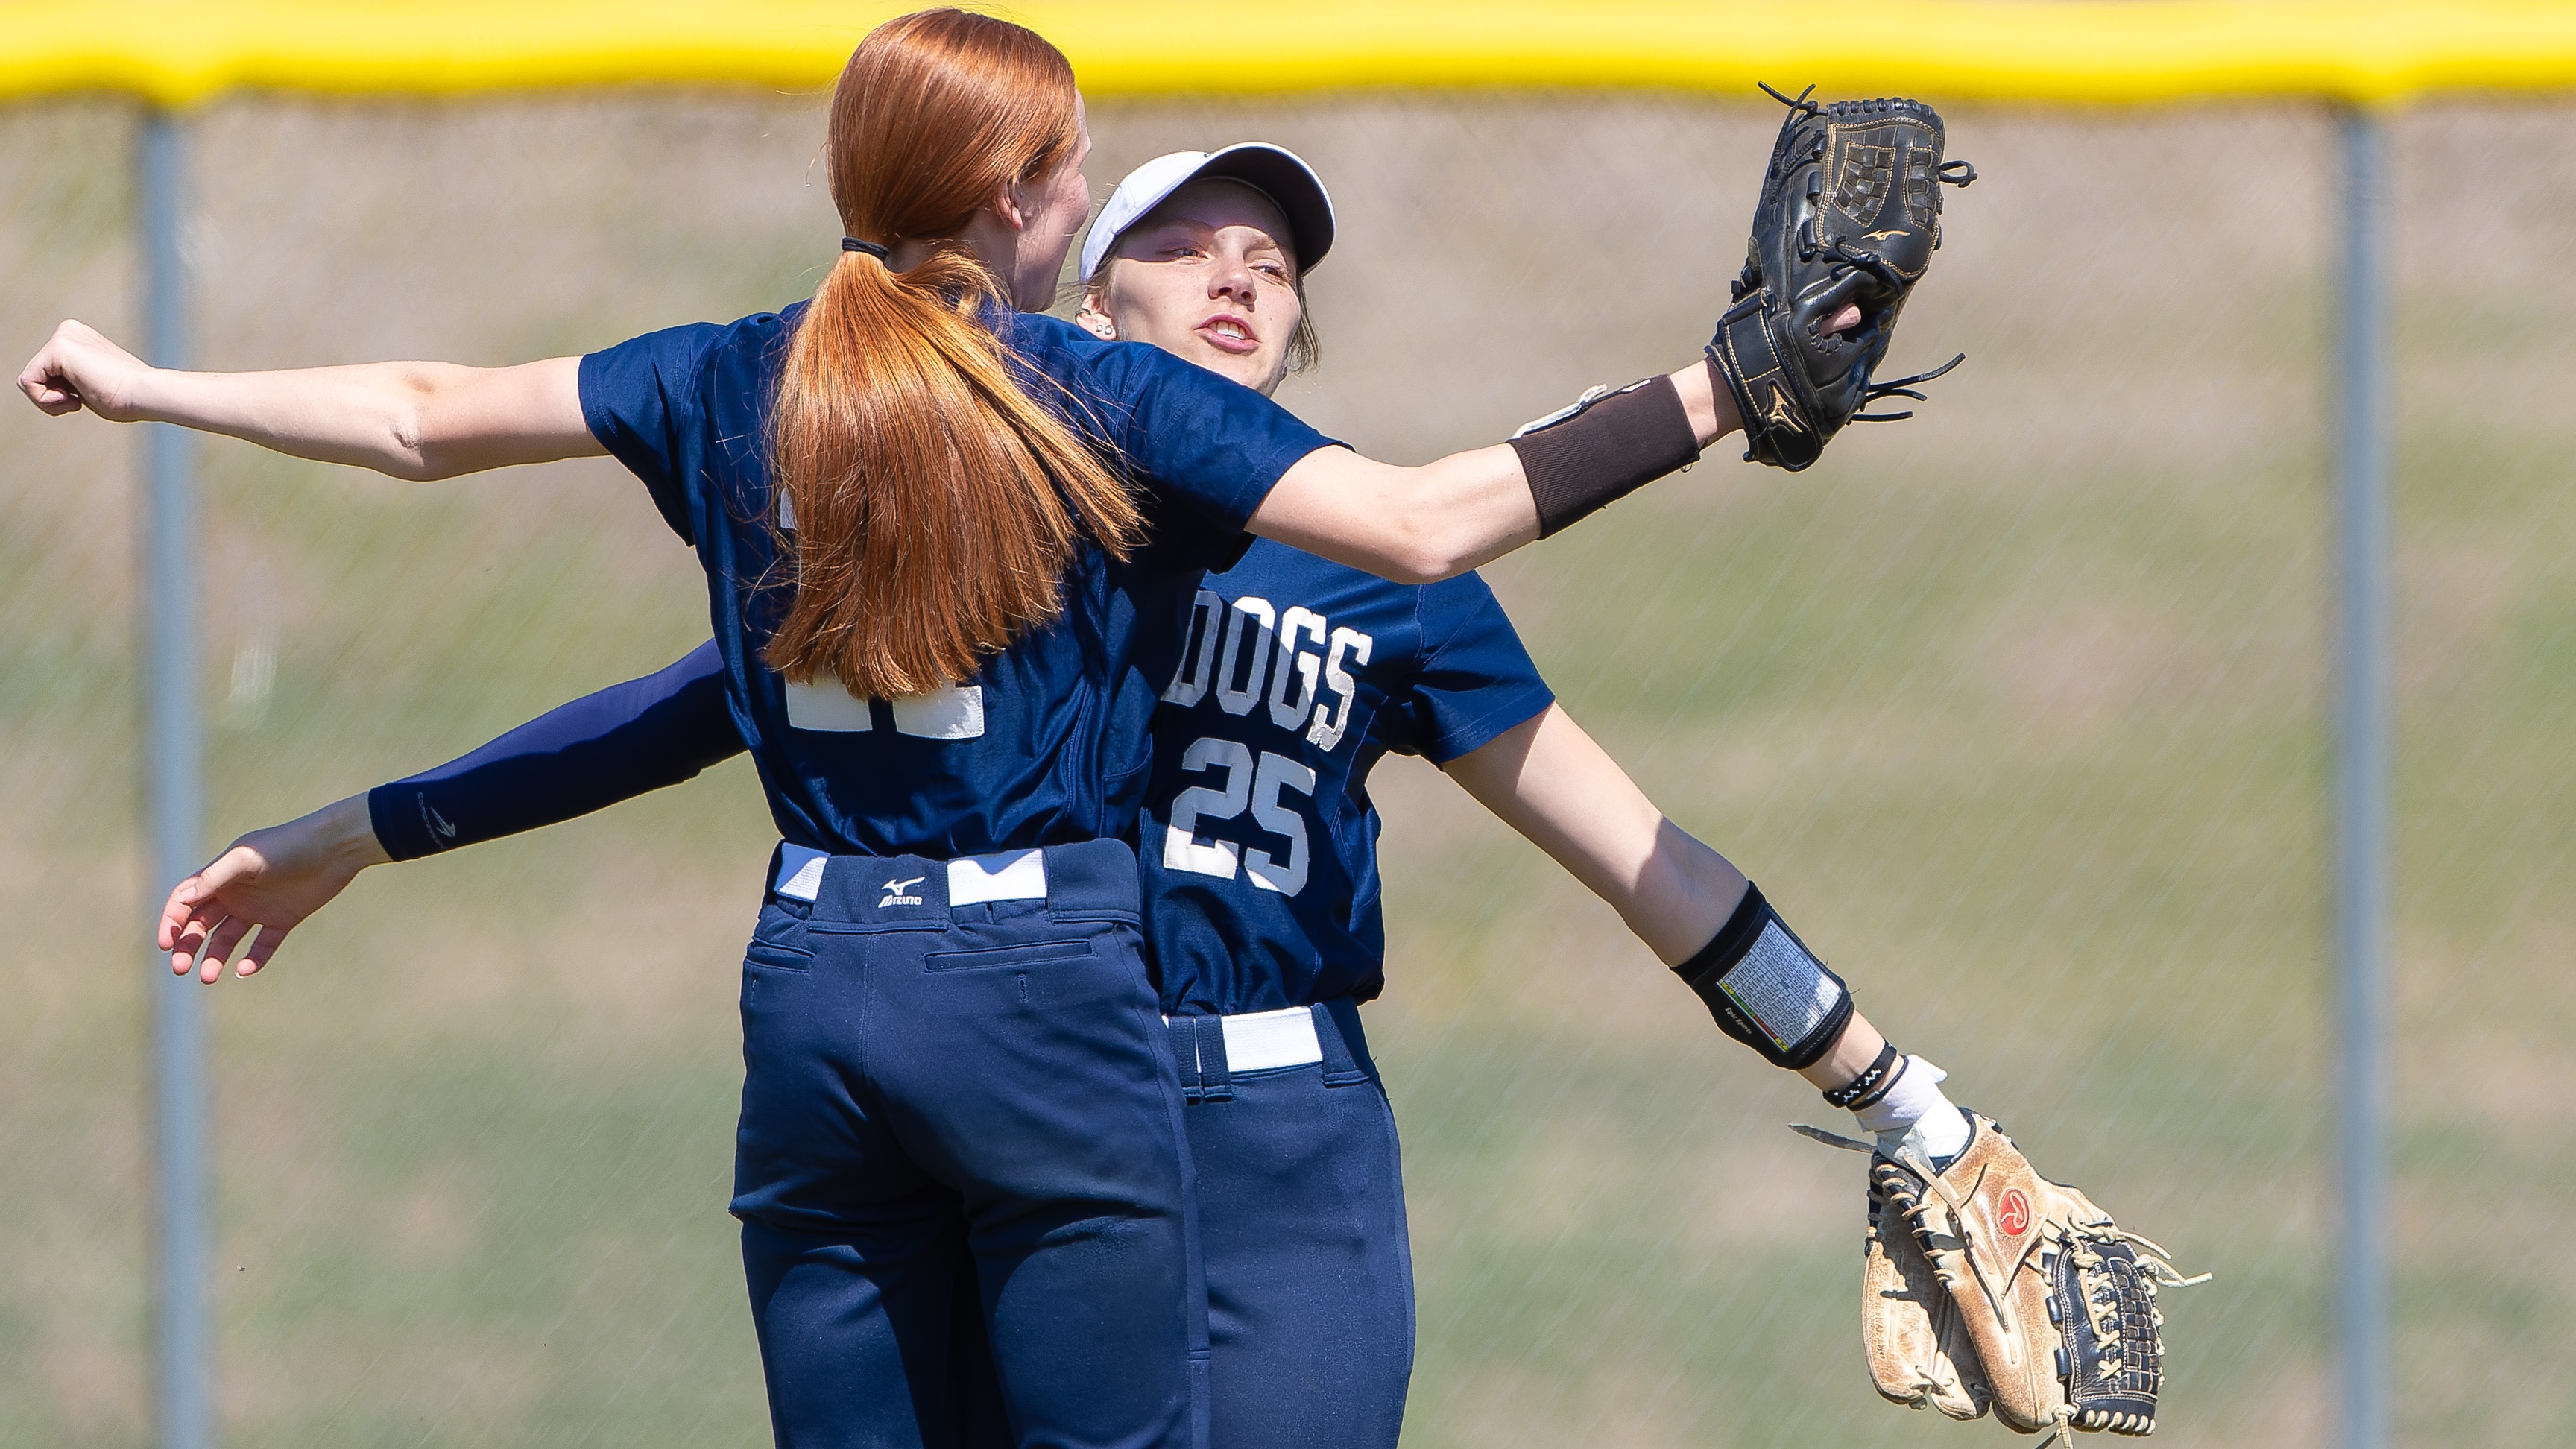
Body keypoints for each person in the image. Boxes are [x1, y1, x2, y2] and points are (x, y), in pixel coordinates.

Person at [130, 145, 1974, 1449]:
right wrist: (358, 830)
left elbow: (1637, 857)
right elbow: (676, 710)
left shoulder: (1380, 586)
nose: (1245, 274)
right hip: (1030, 1107)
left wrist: (1898, 1094)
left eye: (1277, 257)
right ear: (1083, 305)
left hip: (1278, 1145)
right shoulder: (996, 514)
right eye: (1194, 245)